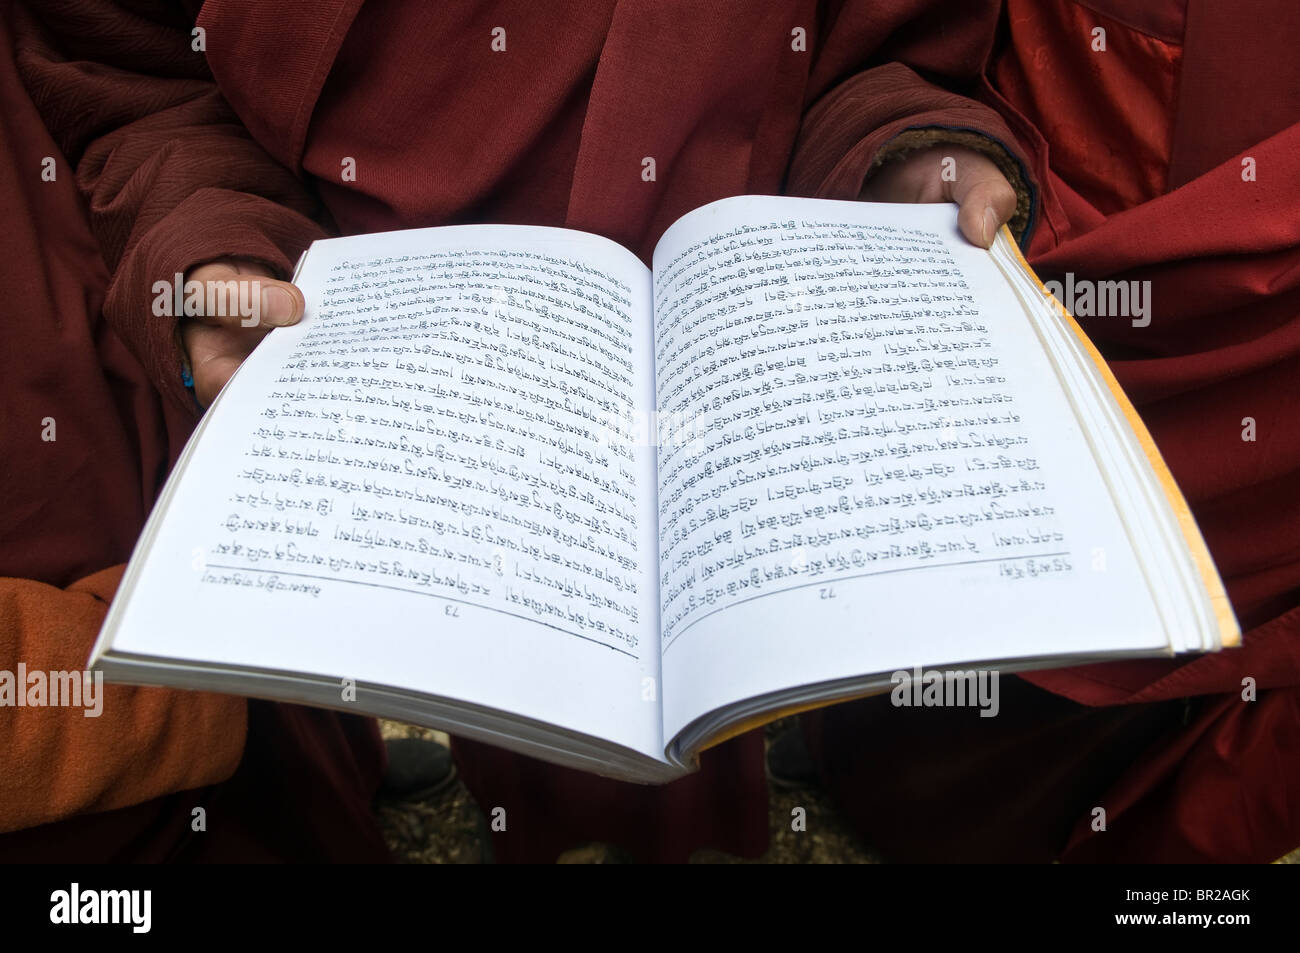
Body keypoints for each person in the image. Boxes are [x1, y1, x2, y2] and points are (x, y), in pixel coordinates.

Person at [9, 0, 1034, 861]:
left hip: (723, 333)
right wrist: (208, 243)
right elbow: (131, 70)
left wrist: (900, 152)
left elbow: (880, 51)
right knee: (469, 667)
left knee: (711, 680)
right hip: (379, 340)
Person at [785, 0, 1300, 863]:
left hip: (1267, 463)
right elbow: (889, 49)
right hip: (997, 299)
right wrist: (917, 139)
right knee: (925, 657)